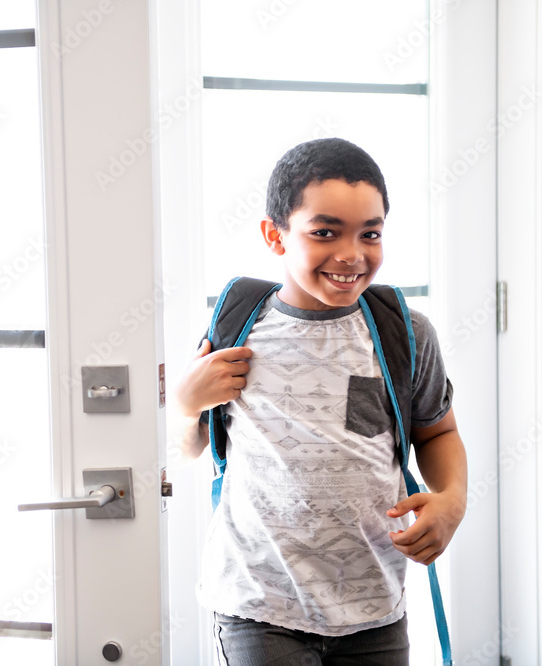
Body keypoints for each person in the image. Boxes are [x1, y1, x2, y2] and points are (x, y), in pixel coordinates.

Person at [175, 137, 468, 665]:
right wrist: (186, 403)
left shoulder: (405, 334)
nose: (352, 254)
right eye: (325, 232)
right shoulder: (236, 331)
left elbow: (438, 432)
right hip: (258, 608)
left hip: (374, 608)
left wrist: (452, 501)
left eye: (370, 233)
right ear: (275, 235)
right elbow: (191, 448)